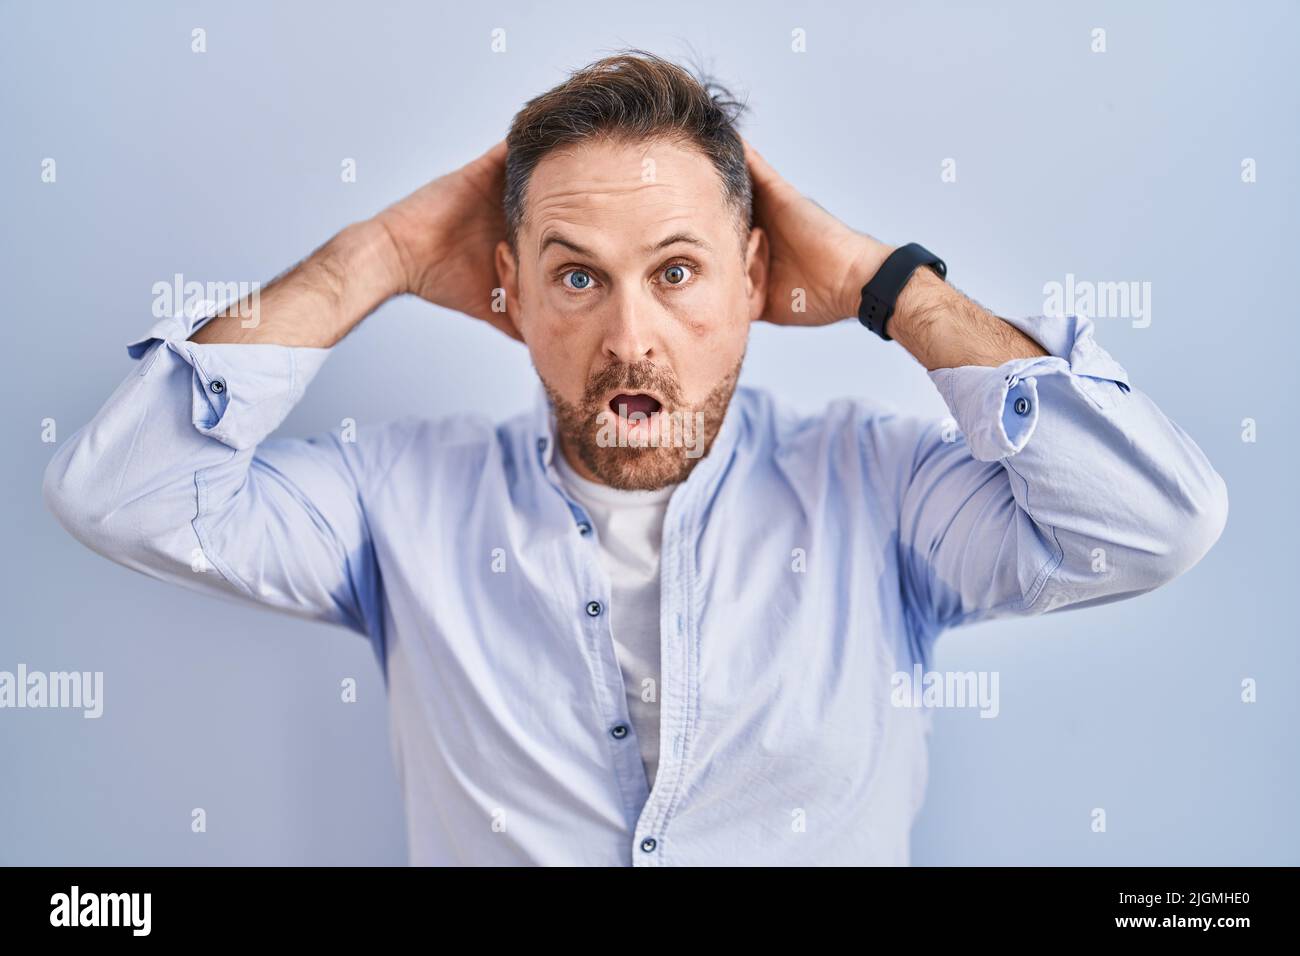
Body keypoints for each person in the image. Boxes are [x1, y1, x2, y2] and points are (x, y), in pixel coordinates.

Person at [43, 51, 1228, 865]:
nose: (629, 337)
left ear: (754, 279)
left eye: (675, 271)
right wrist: (382, 255)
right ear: (506, 290)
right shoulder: (392, 500)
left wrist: (886, 284)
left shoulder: (880, 492)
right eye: (574, 275)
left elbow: (1153, 520)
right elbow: (120, 490)